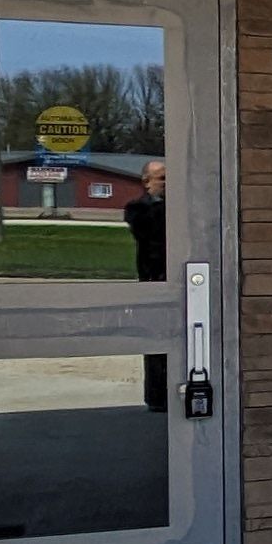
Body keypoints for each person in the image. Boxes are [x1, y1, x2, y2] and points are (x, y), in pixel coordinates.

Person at [127, 158, 170, 411]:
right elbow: (150, 231)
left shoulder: (175, 207)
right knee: (155, 345)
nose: (167, 184)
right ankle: (156, 397)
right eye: (162, 179)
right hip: (152, 281)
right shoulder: (137, 209)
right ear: (147, 182)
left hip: (175, 278)